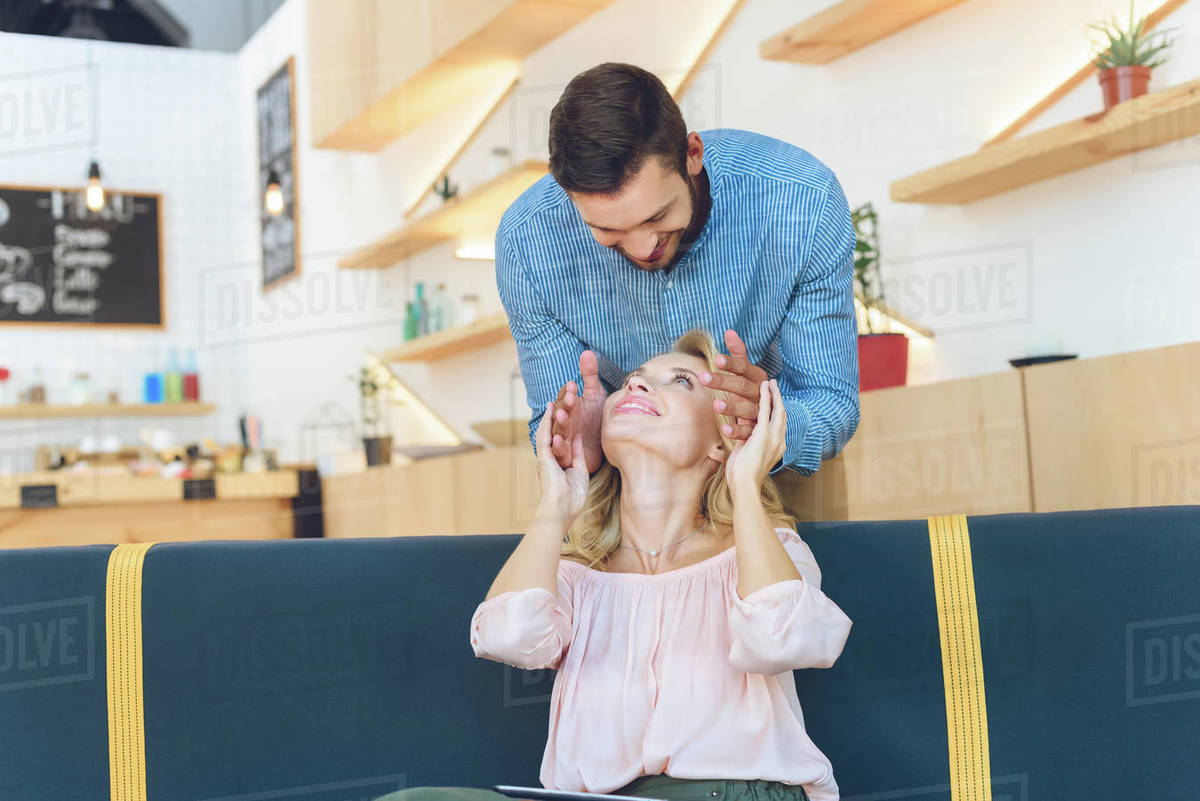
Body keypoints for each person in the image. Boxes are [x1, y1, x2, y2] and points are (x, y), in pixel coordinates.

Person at [374, 329, 853, 801]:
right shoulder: (579, 574)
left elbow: (781, 639)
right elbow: (507, 637)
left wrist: (745, 482)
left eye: (681, 381)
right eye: (635, 379)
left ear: (719, 441)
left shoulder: (764, 549)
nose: (637, 384)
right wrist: (556, 501)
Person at [496, 62, 860, 480]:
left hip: (778, 477)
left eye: (657, 217)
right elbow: (560, 419)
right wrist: (577, 444)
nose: (642, 247)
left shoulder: (802, 201)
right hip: (621, 493)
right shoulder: (528, 243)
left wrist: (771, 423)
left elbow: (831, 402)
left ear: (692, 154)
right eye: (608, 230)